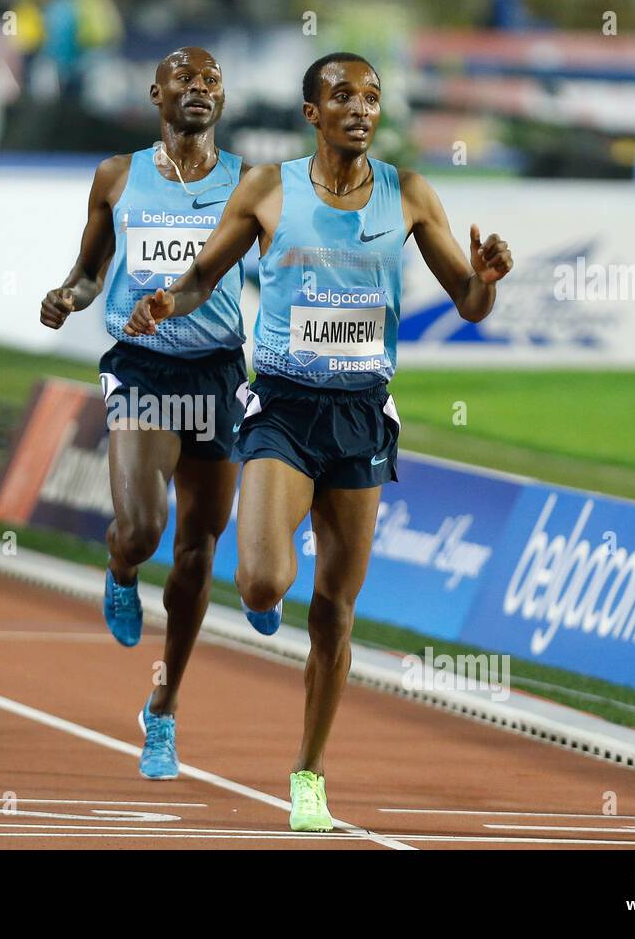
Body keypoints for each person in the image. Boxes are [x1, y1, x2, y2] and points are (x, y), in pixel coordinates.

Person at [125, 52, 514, 829]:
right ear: (312, 113)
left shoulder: (411, 196)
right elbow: (205, 275)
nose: (360, 108)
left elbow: (467, 304)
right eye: (342, 96)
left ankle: (308, 776)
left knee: (335, 612)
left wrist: (487, 278)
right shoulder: (271, 189)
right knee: (265, 583)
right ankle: (274, 560)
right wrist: (169, 299)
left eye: (372, 96)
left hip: (362, 417)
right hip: (281, 408)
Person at [40, 47, 249, 780]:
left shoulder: (251, 183)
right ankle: (121, 565)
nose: (198, 87)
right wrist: (66, 298)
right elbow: (90, 273)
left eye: (211, 79)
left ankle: (162, 713)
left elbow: (284, 265)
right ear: (156, 93)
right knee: (143, 526)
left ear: (223, 97)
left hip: (220, 372)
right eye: (184, 79)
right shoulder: (117, 176)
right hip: (142, 369)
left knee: (197, 552)